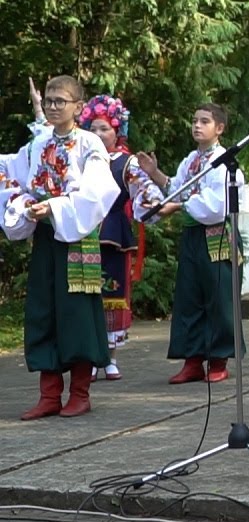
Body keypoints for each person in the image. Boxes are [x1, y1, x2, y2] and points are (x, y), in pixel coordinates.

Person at [3, 76, 119, 420]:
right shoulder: (37, 145)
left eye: (61, 101)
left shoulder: (89, 145)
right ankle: (49, 394)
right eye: (49, 101)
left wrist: (54, 207)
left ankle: (80, 392)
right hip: (45, 239)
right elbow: (12, 171)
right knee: (43, 310)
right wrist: (24, 203)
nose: (53, 106)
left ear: (78, 107)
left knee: (77, 314)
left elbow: (98, 192)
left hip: (76, 238)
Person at [137, 104, 245, 385]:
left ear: (219, 128)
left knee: (219, 298)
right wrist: (156, 174)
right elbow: (178, 188)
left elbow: (216, 206)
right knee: (189, 297)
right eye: (194, 120)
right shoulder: (191, 160)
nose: (197, 126)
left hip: (217, 236)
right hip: (193, 236)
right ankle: (193, 360)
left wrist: (177, 207)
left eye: (205, 121)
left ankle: (219, 359)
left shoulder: (223, 162)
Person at [80, 95, 160, 381]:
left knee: (114, 293)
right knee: (86, 294)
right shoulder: (81, 159)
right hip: (83, 231)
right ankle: (90, 355)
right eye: (93, 128)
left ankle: (111, 356)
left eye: (105, 128)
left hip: (114, 233)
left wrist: (156, 207)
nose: (99, 134)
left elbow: (145, 194)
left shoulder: (127, 163)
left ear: (118, 131)